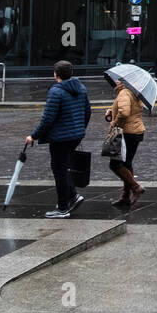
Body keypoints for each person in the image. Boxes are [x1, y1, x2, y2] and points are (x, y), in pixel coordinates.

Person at [24, 60, 91, 219]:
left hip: (60, 138)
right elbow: (87, 112)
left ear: (56, 74)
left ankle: (62, 208)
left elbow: (48, 119)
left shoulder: (56, 92)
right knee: (63, 167)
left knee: (59, 170)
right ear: (71, 73)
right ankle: (73, 196)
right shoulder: (81, 88)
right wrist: (80, 129)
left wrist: (33, 136)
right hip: (75, 135)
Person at [105, 78, 145, 208]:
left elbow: (124, 112)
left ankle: (135, 187)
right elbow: (130, 110)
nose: (116, 81)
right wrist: (112, 112)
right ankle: (126, 196)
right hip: (136, 131)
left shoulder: (124, 93)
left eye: (119, 80)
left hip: (127, 133)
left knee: (115, 164)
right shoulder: (135, 92)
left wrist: (114, 124)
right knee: (127, 164)